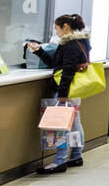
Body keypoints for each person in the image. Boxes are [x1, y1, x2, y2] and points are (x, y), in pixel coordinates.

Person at [28, 13, 90, 174]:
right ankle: (76, 155)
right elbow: (56, 63)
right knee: (75, 123)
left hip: (66, 91)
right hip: (75, 90)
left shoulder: (69, 45)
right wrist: (39, 51)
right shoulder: (81, 42)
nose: (56, 33)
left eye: (57, 29)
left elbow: (67, 71)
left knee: (61, 126)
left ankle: (59, 161)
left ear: (66, 27)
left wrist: (62, 96)